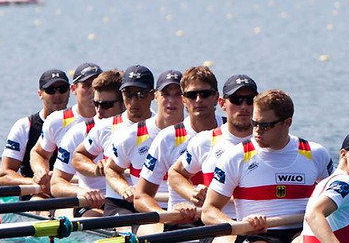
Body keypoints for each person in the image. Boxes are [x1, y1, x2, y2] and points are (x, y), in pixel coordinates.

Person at [202, 89, 333, 243]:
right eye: (254, 123)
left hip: (302, 231)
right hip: (256, 235)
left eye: (265, 126)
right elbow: (208, 211)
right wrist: (239, 226)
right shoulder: (236, 157)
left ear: (287, 123)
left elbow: (339, 200)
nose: (257, 131)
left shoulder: (315, 154)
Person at [133, 66, 225, 217]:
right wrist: (165, 217)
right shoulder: (167, 138)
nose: (198, 100)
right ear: (184, 100)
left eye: (205, 94)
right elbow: (140, 196)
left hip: (223, 220)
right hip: (181, 221)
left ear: (216, 97)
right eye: (192, 95)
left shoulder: (233, 133)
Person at [168, 74, 257, 220]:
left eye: (250, 100)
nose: (244, 106)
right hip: (217, 223)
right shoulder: (204, 141)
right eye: (236, 100)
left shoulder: (271, 142)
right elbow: (175, 174)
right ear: (222, 103)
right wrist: (192, 193)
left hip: (259, 224)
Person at [105, 68, 185, 220]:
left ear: (186, 98)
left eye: (178, 94)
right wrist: (124, 189)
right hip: (145, 210)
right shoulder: (130, 136)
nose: (171, 100)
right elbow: (110, 169)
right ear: (155, 96)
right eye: (166, 94)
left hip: (184, 212)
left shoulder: (197, 137)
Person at [77, 64, 155, 217]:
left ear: (153, 95)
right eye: (128, 94)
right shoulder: (106, 127)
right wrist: (96, 169)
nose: (134, 101)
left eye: (141, 94)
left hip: (153, 201)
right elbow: (78, 156)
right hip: (119, 202)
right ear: (122, 95)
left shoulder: (162, 128)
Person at [51, 69, 124, 202]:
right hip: (94, 203)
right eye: (96, 104)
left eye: (106, 105)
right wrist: (82, 192)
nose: (99, 112)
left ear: (125, 102)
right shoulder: (78, 133)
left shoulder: (146, 129)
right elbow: (56, 184)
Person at [0, 68, 71, 195]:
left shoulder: (80, 124)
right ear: (40, 94)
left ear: (70, 91)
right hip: (35, 195)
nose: (57, 95)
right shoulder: (24, 127)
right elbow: (4, 176)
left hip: (71, 193)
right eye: (50, 90)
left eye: (62, 89)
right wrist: (36, 182)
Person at [28, 62, 103, 186]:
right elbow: (39, 153)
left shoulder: (115, 120)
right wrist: (41, 172)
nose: (93, 91)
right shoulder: (57, 121)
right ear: (73, 89)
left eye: (97, 85)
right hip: (68, 189)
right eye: (87, 85)